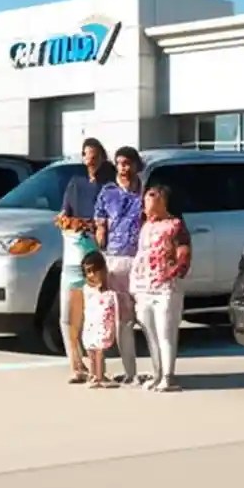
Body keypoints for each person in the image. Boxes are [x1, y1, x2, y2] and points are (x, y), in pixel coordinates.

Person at [54, 137, 114, 383]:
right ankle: (76, 366)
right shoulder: (75, 184)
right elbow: (63, 215)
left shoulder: (109, 187)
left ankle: (98, 369)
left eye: (95, 155)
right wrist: (68, 223)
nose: (90, 159)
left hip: (95, 255)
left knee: (95, 315)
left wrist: (94, 227)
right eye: (86, 154)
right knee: (68, 316)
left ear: (102, 158)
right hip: (72, 254)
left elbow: (110, 221)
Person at [130, 184, 192, 392]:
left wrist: (174, 271)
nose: (145, 202)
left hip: (166, 287)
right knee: (150, 332)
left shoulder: (175, 225)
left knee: (166, 332)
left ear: (161, 200)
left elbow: (183, 251)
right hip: (144, 287)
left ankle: (168, 376)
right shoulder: (145, 225)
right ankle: (157, 374)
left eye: (150, 197)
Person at [93, 145, 146, 385]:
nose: (124, 168)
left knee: (144, 315)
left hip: (140, 260)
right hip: (114, 259)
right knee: (121, 319)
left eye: (127, 163)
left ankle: (159, 369)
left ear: (136, 165)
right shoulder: (107, 192)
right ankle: (129, 370)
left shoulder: (146, 192)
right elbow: (99, 223)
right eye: (120, 163)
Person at [80, 250, 119, 389]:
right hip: (91, 323)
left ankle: (100, 374)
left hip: (102, 323)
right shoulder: (87, 289)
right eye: (88, 272)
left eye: (94, 271)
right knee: (91, 350)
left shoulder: (108, 288)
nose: (91, 275)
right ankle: (95, 375)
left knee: (100, 350)